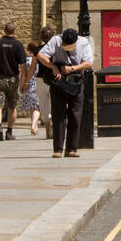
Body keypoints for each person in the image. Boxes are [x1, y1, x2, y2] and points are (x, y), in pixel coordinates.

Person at [38, 27, 93, 157]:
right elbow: (41, 55)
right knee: (58, 115)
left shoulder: (83, 42)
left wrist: (73, 68)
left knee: (75, 115)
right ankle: (57, 149)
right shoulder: (56, 40)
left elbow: (89, 62)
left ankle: (72, 149)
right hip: (59, 80)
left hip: (76, 79)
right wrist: (53, 67)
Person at [34, 25, 55, 139]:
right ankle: (54, 126)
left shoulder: (38, 50)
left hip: (40, 79)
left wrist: (27, 82)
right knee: (54, 104)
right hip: (53, 79)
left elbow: (32, 67)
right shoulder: (56, 49)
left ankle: (48, 131)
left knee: (44, 105)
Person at [20, 43, 42, 134]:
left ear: (29, 50)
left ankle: (34, 125)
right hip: (39, 83)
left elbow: (23, 74)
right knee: (37, 107)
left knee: (32, 107)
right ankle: (34, 125)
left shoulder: (26, 60)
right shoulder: (41, 59)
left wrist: (21, 86)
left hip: (28, 84)